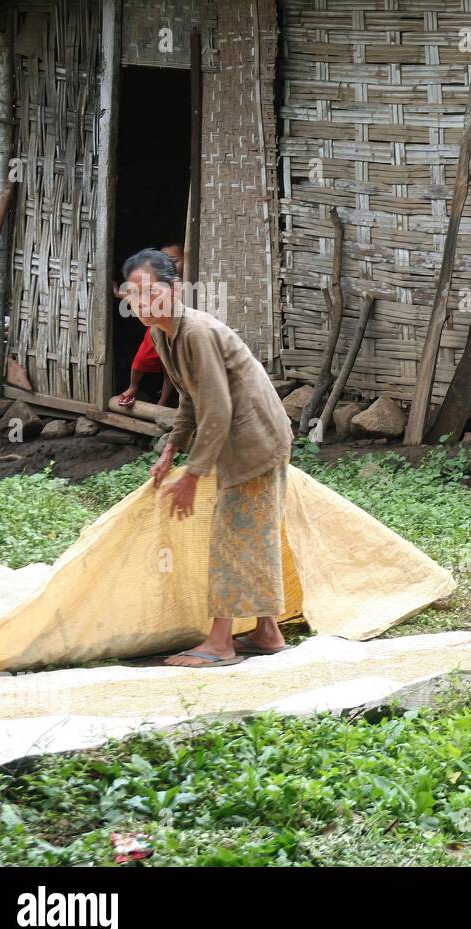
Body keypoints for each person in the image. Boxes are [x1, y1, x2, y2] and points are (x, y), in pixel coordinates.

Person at [119, 247, 294, 667]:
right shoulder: (162, 332)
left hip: (256, 440)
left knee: (231, 539)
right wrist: (171, 451)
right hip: (235, 438)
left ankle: (220, 643)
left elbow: (217, 408)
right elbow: (190, 400)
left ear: (174, 289)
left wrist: (193, 476)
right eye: (132, 295)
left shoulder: (196, 331)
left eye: (149, 293)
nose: (141, 304)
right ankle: (268, 632)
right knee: (250, 535)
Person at [116, 242, 185, 408]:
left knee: (171, 367)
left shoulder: (186, 284)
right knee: (143, 359)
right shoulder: (152, 288)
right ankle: (134, 387)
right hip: (156, 328)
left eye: (174, 261)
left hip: (174, 328)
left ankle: (165, 400)